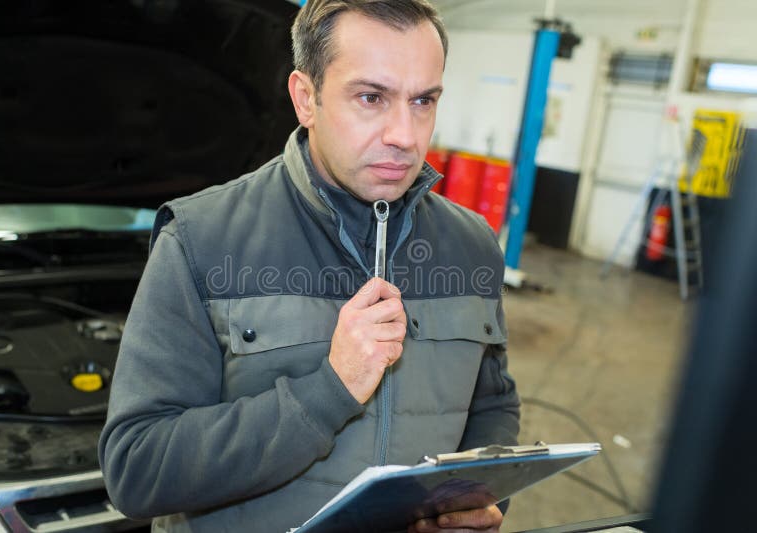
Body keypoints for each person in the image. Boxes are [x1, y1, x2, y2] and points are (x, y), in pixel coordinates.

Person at [98, 1, 520, 532]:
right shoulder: (200, 240)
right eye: (371, 97)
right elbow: (137, 469)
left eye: (422, 101)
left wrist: (478, 500)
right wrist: (330, 388)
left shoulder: (473, 246)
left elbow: (494, 405)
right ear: (305, 98)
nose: (405, 135)